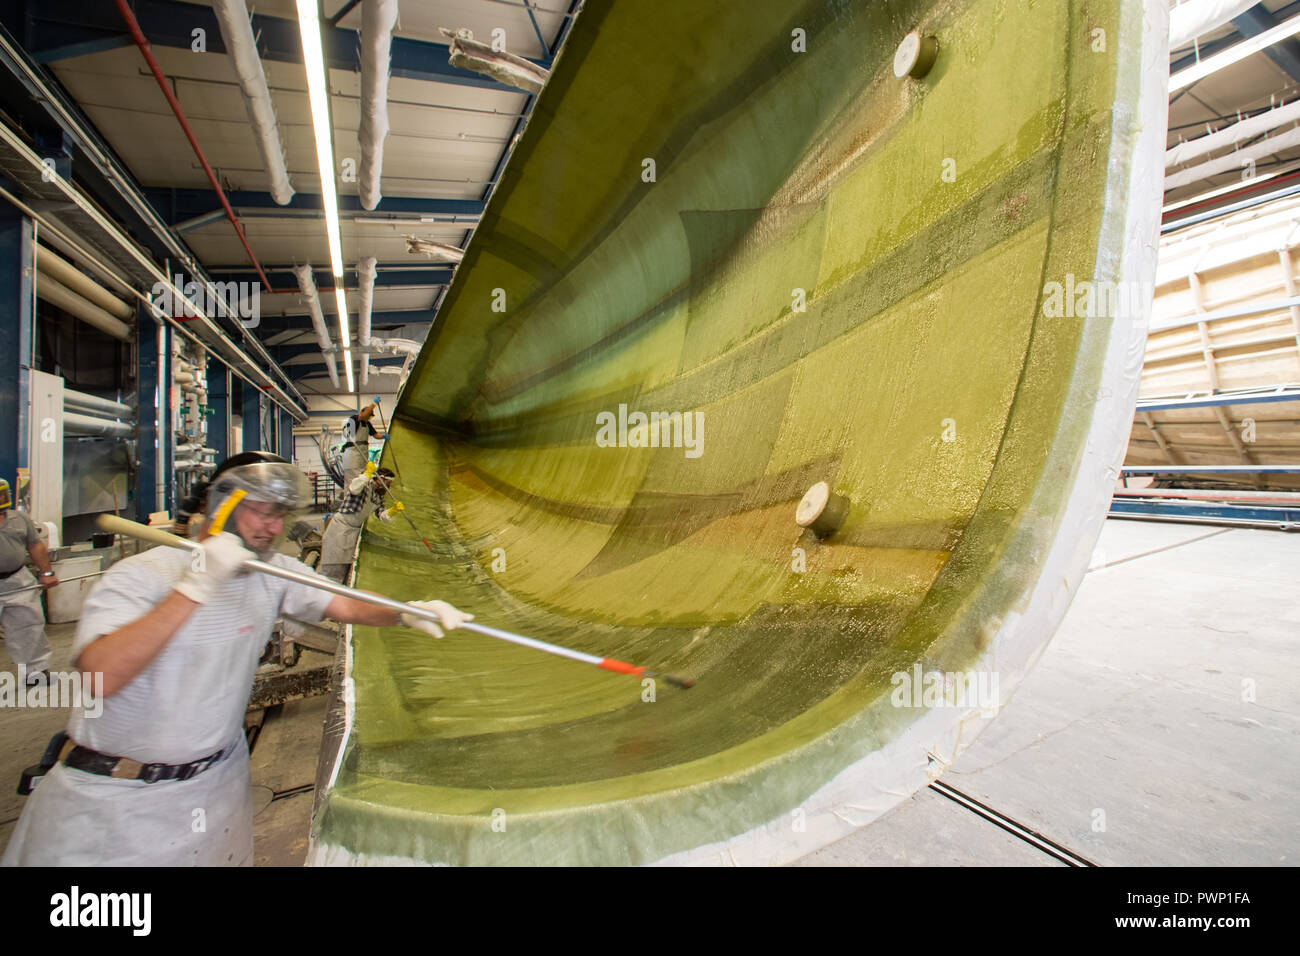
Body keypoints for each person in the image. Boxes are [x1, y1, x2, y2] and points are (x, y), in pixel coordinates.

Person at [1, 452, 470, 867]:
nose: (272, 528)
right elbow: (102, 676)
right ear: (219, 504)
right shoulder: (140, 576)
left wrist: (409, 613)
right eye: (261, 512)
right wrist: (197, 586)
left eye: (280, 516)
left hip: (216, 790)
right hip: (115, 807)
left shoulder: (268, 572)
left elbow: (344, 603)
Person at [0, 477, 58, 685]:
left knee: (28, 626)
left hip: (17, 580)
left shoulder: (19, 519)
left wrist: (47, 573)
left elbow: (35, 546)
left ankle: (36, 671)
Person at [319, 462, 398, 582]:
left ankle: (338, 592)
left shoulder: (378, 497)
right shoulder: (364, 485)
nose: (387, 487)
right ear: (380, 479)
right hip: (340, 529)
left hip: (353, 532)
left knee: (343, 567)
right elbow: (354, 488)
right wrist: (367, 474)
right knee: (332, 566)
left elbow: (382, 515)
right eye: (387, 484)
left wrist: (392, 512)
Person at [339, 403, 387, 486]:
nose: (369, 417)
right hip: (352, 455)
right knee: (353, 482)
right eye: (368, 414)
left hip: (362, 455)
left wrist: (384, 436)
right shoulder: (354, 419)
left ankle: (361, 497)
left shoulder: (367, 424)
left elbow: (375, 435)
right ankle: (351, 498)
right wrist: (374, 404)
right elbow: (363, 416)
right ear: (362, 412)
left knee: (362, 480)